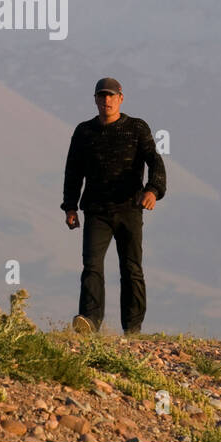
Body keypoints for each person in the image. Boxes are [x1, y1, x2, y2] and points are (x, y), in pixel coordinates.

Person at [61, 77, 166, 335]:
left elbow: (155, 161)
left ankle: (132, 329)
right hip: (96, 211)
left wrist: (153, 189)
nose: (106, 101)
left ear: (121, 98)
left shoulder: (136, 128)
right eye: (101, 96)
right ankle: (89, 321)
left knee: (131, 269)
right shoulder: (84, 132)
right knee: (92, 265)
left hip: (129, 208)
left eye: (111, 96)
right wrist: (70, 207)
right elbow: (73, 171)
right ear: (95, 99)